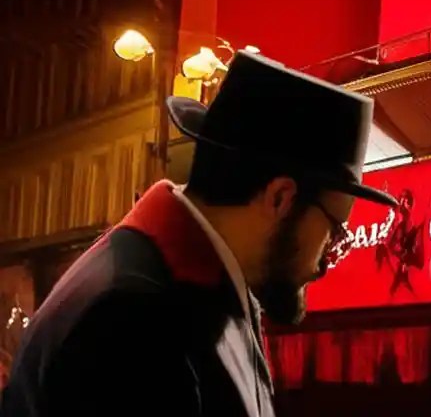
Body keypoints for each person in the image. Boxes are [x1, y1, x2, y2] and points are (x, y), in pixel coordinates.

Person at [0, 50, 397, 417]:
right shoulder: (133, 319)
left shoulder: (199, 286)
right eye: (334, 228)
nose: (329, 255)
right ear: (280, 198)